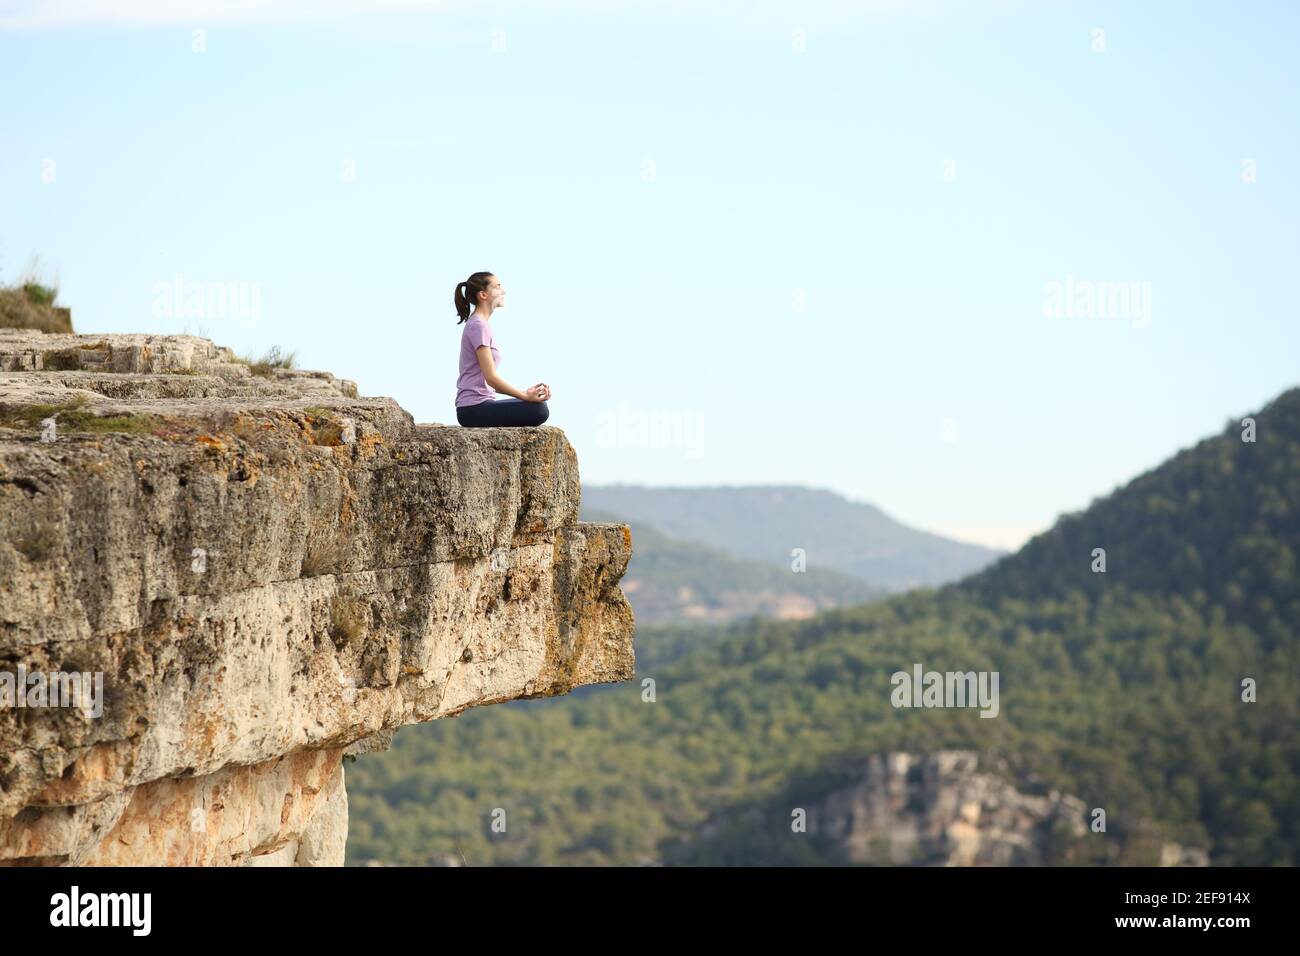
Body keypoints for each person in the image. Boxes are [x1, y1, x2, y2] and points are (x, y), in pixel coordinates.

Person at [453, 272, 551, 427]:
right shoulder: (478, 325)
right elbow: (491, 378)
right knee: (539, 410)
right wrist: (525, 396)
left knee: (538, 407)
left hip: (479, 405)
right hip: (473, 409)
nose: (503, 291)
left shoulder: (479, 324)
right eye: (497, 287)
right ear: (483, 295)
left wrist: (526, 395)